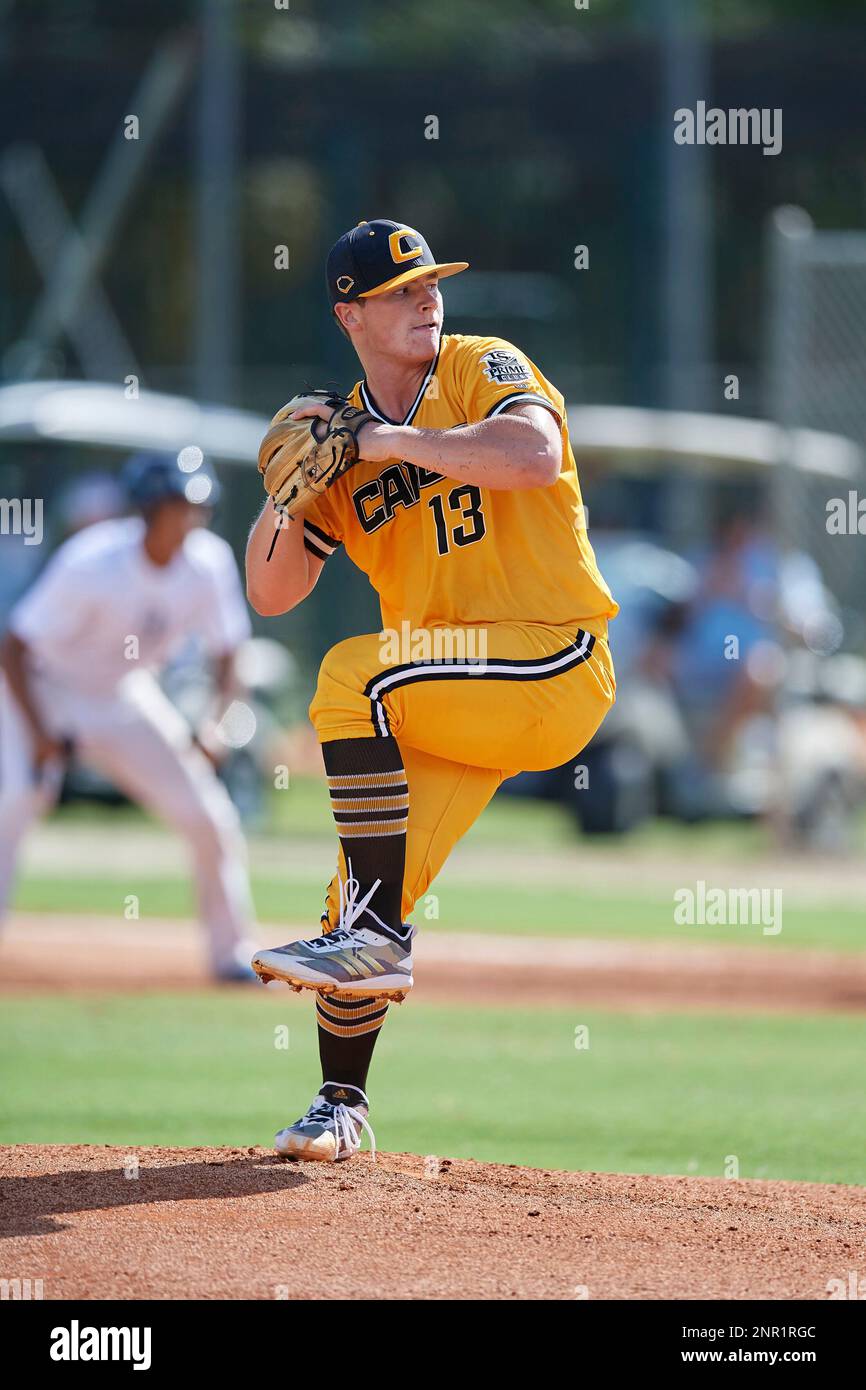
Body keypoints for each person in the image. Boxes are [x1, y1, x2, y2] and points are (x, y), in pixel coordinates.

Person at [247, 219, 618, 1161]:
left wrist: (390, 440)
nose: (426, 297)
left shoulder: (479, 367)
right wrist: (287, 494)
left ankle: (376, 938)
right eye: (400, 288)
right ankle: (340, 1104)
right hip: (451, 698)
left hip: (550, 659)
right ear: (349, 314)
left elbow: (531, 456)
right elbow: (272, 590)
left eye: (431, 282)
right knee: (357, 894)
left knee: (348, 673)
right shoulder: (348, 442)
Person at [0, 451, 258, 982]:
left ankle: (230, 953)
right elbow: (15, 647)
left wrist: (218, 725)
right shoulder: (92, 561)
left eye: (196, 508)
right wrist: (40, 733)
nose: (188, 519)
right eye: (175, 507)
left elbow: (230, 652)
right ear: (145, 509)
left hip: (124, 693)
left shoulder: (208, 562)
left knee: (209, 817)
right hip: (47, 688)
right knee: (17, 801)